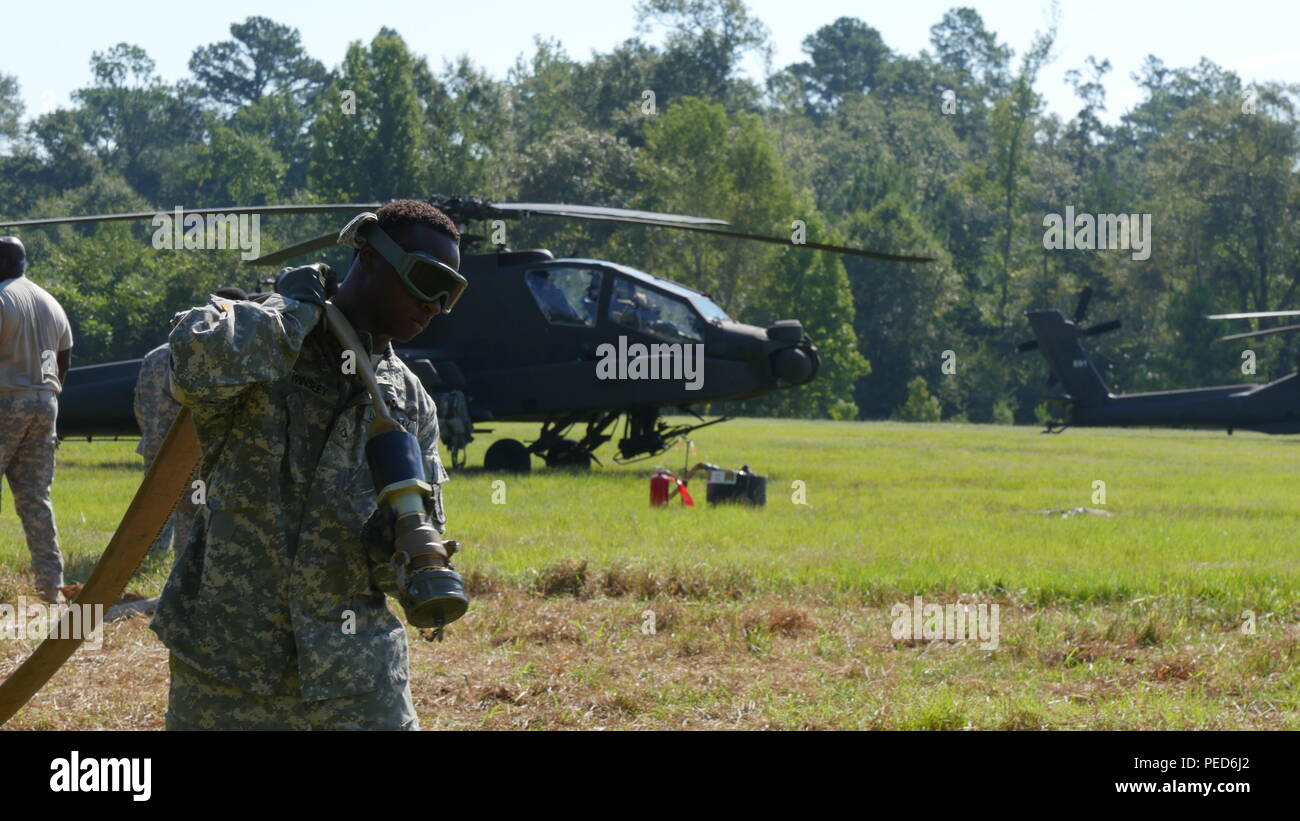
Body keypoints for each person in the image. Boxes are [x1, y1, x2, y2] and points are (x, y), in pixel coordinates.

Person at [150, 200, 460, 730]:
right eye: (426, 279)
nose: (434, 304)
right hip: (231, 676)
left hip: (355, 679)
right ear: (369, 255)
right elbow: (193, 363)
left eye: (450, 293)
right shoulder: (265, 345)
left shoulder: (408, 402)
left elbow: (404, 553)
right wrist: (290, 311)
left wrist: (411, 555)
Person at [133, 286, 247, 557]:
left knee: (154, 508)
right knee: (192, 516)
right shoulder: (226, 354)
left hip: (156, 446)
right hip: (196, 451)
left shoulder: (156, 355)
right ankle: (182, 569)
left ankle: (147, 558)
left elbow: (139, 406)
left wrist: (153, 434)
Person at [0, 235, 73, 604]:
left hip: (4, 401)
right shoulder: (50, 302)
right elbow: (64, 360)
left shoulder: (1, 299)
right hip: (46, 405)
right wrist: (47, 394)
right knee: (35, 497)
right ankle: (50, 585)